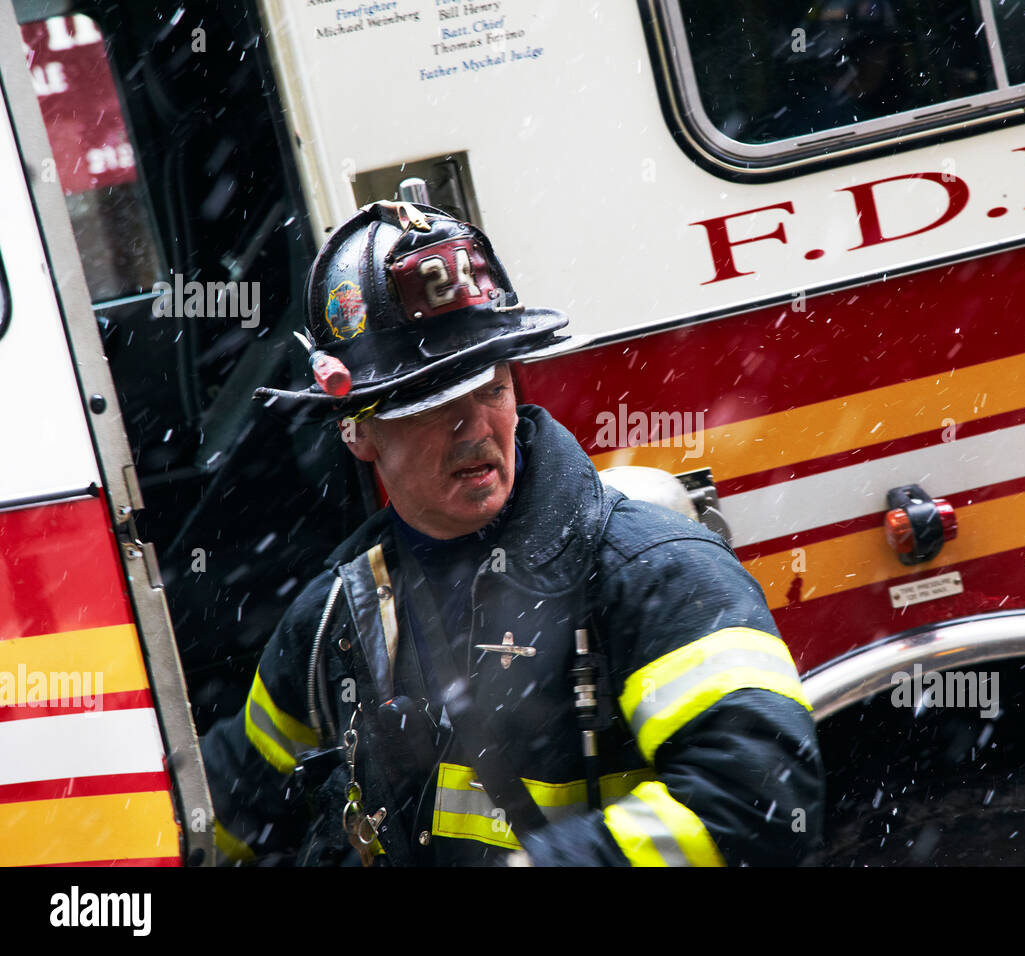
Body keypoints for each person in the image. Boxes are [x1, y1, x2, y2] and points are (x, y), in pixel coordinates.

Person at [200, 201, 824, 866]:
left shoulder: (654, 570)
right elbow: (231, 804)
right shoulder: (334, 621)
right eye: (432, 405)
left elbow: (762, 799)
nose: (473, 427)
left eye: (489, 388)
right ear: (356, 431)